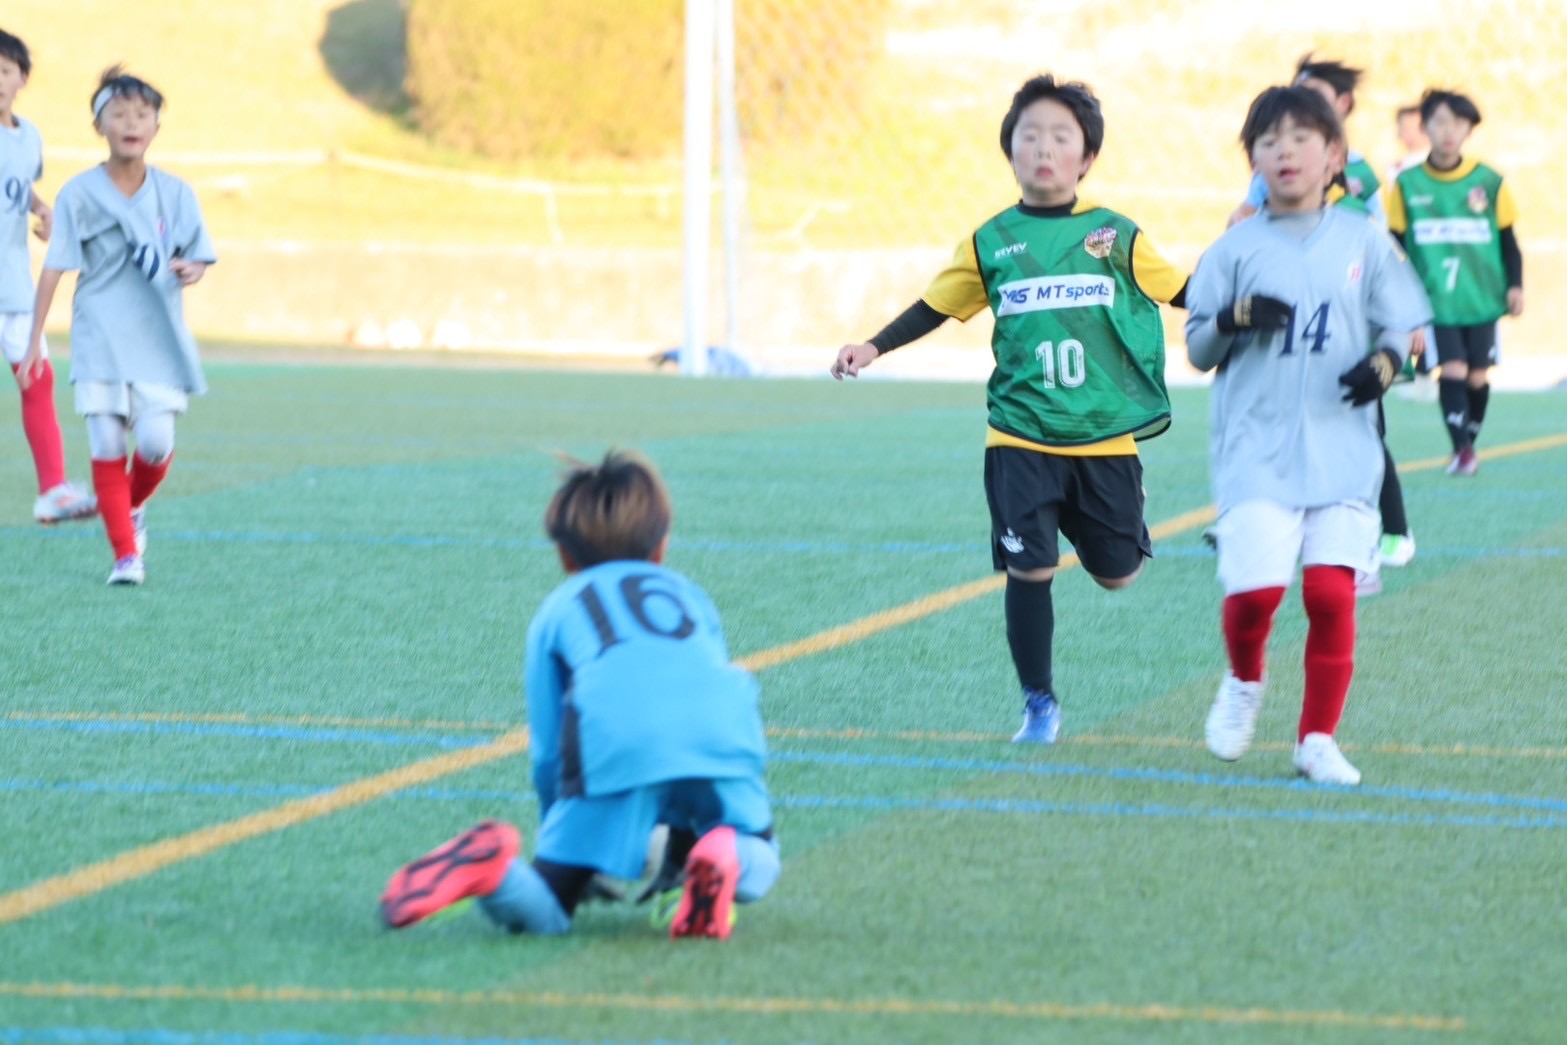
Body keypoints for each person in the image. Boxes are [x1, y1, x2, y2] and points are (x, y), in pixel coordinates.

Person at [830, 74, 1188, 745]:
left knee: (1118, 575)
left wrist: (1243, 308)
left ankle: (1116, 527)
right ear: (1010, 151)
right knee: (1030, 568)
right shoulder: (991, 240)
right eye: (1029, 135)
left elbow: (1184, 292)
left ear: (1085, 157)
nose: (1043, 148)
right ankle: (1039, 704)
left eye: (1060, 136)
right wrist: (872, 344)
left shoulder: (1117, 235)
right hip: (1017, 434)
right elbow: (936, 305)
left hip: (1104, 438)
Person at [381, 451, 781, 941]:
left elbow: (550, 750)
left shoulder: (558, 609)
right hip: (723, 733)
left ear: (564, 556)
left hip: (617, 741)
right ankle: (724, 854)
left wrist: (563, 835)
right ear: (661, 547)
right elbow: (701, 679)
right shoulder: (687, 592)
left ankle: (491, 872)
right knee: (757, 853)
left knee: (548, 910)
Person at [1186, 85, 1431, 785]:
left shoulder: (1363, 239)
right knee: (1256, 595)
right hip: (1257, 450)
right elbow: (1198, 348)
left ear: (1334, 156)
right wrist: (1231, 318)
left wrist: (1386, 362)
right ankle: (1242, 681)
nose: (1284, 151)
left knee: (1329, 595)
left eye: (1301, 138)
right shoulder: (1234, 246)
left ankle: (1315, 738)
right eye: (1268, 140)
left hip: (1342, 449)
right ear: (1252, 159)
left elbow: (1400, 327)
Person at [18, 66, 216, 585]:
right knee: (107, 446)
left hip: (157, 338)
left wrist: (191, 269)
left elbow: (197, 258)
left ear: (156, 126)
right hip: (98, 335)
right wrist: (36, 337)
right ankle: (126, 556)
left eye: (142, 114)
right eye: (119, 113)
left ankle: (130, 505)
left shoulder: (177, 193)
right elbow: (56, 265)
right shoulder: (79, 194)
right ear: (99, 125)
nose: (132, 122)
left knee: (154, 444)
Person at [1225, 56, 1417, 574]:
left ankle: (1380, 534)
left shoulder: (1361, 181)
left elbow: (1384, 248)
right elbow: (1245, 226)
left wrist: (1400, 330)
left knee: (1361, 430)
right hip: (1288, 332)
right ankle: (1262, 520)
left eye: (1315, 94)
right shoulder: (1273, 177)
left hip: (1347, 328)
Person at [1385, 88, 1523, 478]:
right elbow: (1394, 246)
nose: (1449, 131)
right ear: (1424, 126)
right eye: (1440, 122)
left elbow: (1510, 242)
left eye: (1458, 124)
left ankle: (1466, 444)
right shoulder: (1408, 184)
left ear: (1469, 130)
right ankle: (1462, 450)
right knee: (1455, 370)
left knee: (1478, 378)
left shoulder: (1489, 182)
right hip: (1434, 302)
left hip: (1481, 298)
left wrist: (1516, 285)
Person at [0, 29, 96, 524]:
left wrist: (43, 211)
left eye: (4, 70)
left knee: (36, 377)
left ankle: (52, 490)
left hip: (11, 283)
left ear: (22, 79)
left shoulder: (29, 137)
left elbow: (20, 190)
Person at [1226, 55, 1384, 228]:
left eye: (1314, 94)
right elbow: (1246, 213)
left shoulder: (1361, 169)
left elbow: (1380, 226)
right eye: (1298, 92)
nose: (1303, 102)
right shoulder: (1279, 167)